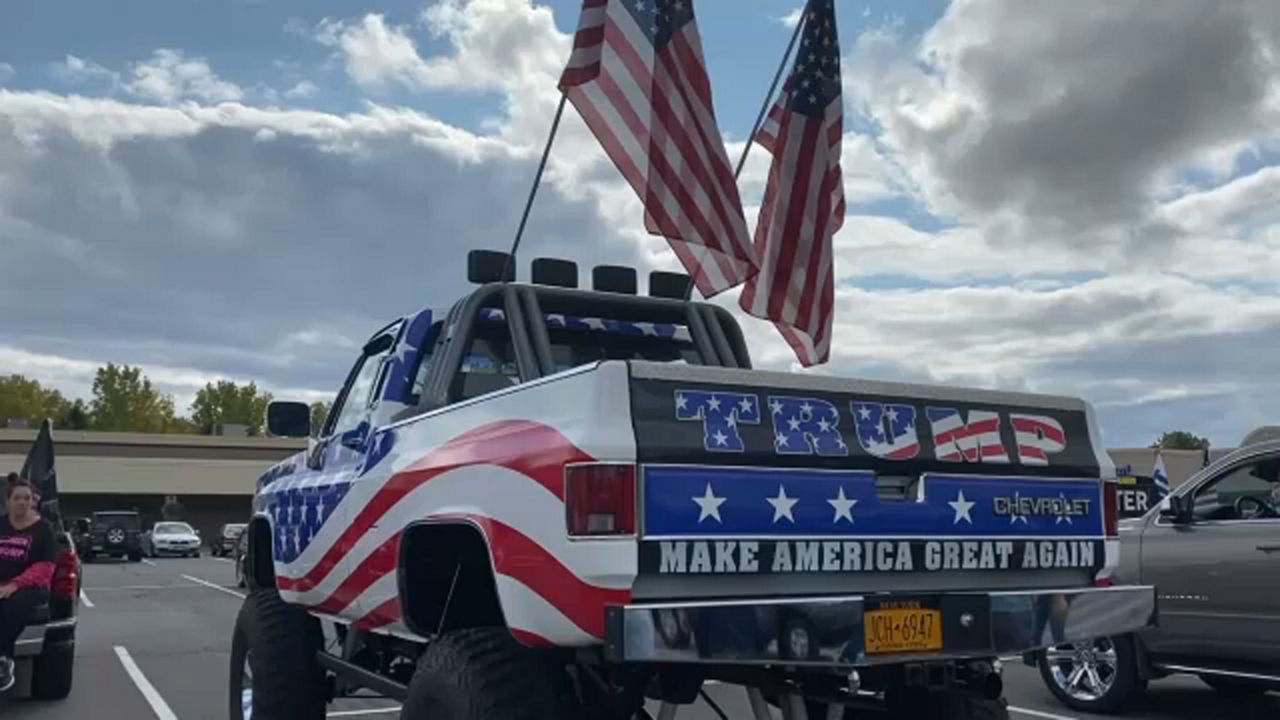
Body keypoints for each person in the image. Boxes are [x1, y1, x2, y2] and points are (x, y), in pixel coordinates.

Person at [0, 478, 56, 693]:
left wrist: (15, 584)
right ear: (8, 501)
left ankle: (4, 660)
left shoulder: (43, 529)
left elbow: (46, 566)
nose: (22, 502)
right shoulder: (1, 524)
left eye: (27, 498)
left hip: (31, 587)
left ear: (33, 501)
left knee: (12, 605)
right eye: (17, 498)